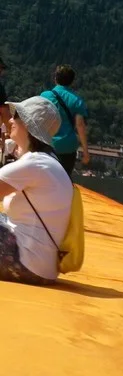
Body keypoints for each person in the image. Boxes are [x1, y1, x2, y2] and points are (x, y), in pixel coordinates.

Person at [0, 95, 77, 284]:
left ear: (28, 124)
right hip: (42, 267)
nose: (10, 120)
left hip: (26, 262)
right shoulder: (48, 161)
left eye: (16, 116)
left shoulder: (34, 164)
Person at [40, 65, 86, 172]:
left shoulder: (45, 96)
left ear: (55, 78)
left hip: (48, 145)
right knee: (64, 178)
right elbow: (80, 126)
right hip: (68, 147)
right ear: (72, 81)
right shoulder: (77, 100)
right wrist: (85, 150)